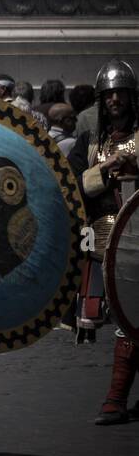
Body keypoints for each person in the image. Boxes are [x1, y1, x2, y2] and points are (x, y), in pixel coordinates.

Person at [68, 59, 139, 422]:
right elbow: (72, 183)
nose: (114, 99)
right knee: (127, 317)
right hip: (101, 237)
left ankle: (116, 399)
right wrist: (104, 171)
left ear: (131, 97)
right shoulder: (88, 140)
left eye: (120, 93)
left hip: (138, 237)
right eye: (109, 94)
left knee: (132, 318)